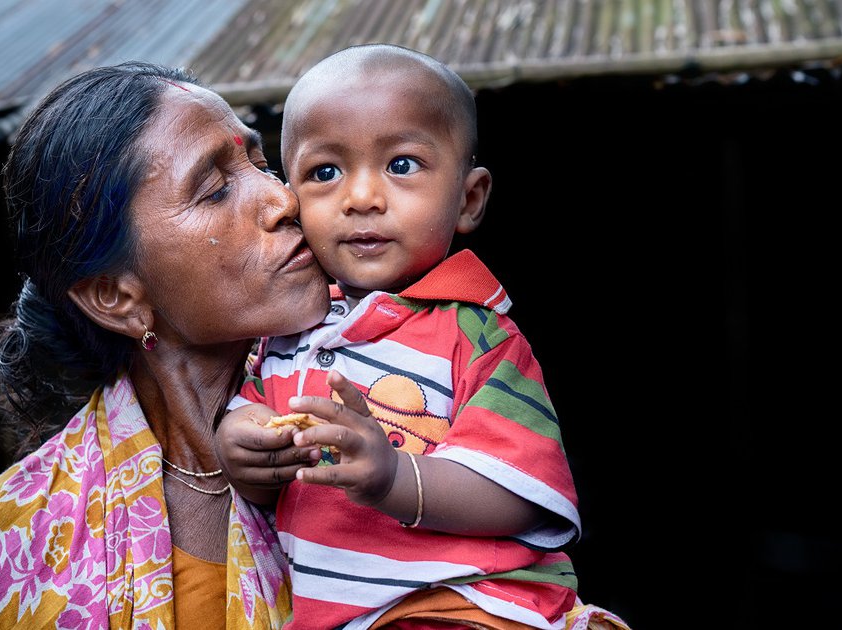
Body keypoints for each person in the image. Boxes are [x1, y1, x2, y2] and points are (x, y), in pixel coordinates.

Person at [216, 44, 632, 630]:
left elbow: (520, 494)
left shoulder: (478, 335)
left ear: (468, 199)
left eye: (402, 165)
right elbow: (262, 450)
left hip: (470, 607)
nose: (362, 198)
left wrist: (395, 477)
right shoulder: (285, 331)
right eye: (325, 172)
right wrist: (240, 448)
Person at [0, 61, 333, 629]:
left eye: (263, 165)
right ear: (116, 296)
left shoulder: (395, 407)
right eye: (215, 190)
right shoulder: (13, 538)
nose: (283, 199)